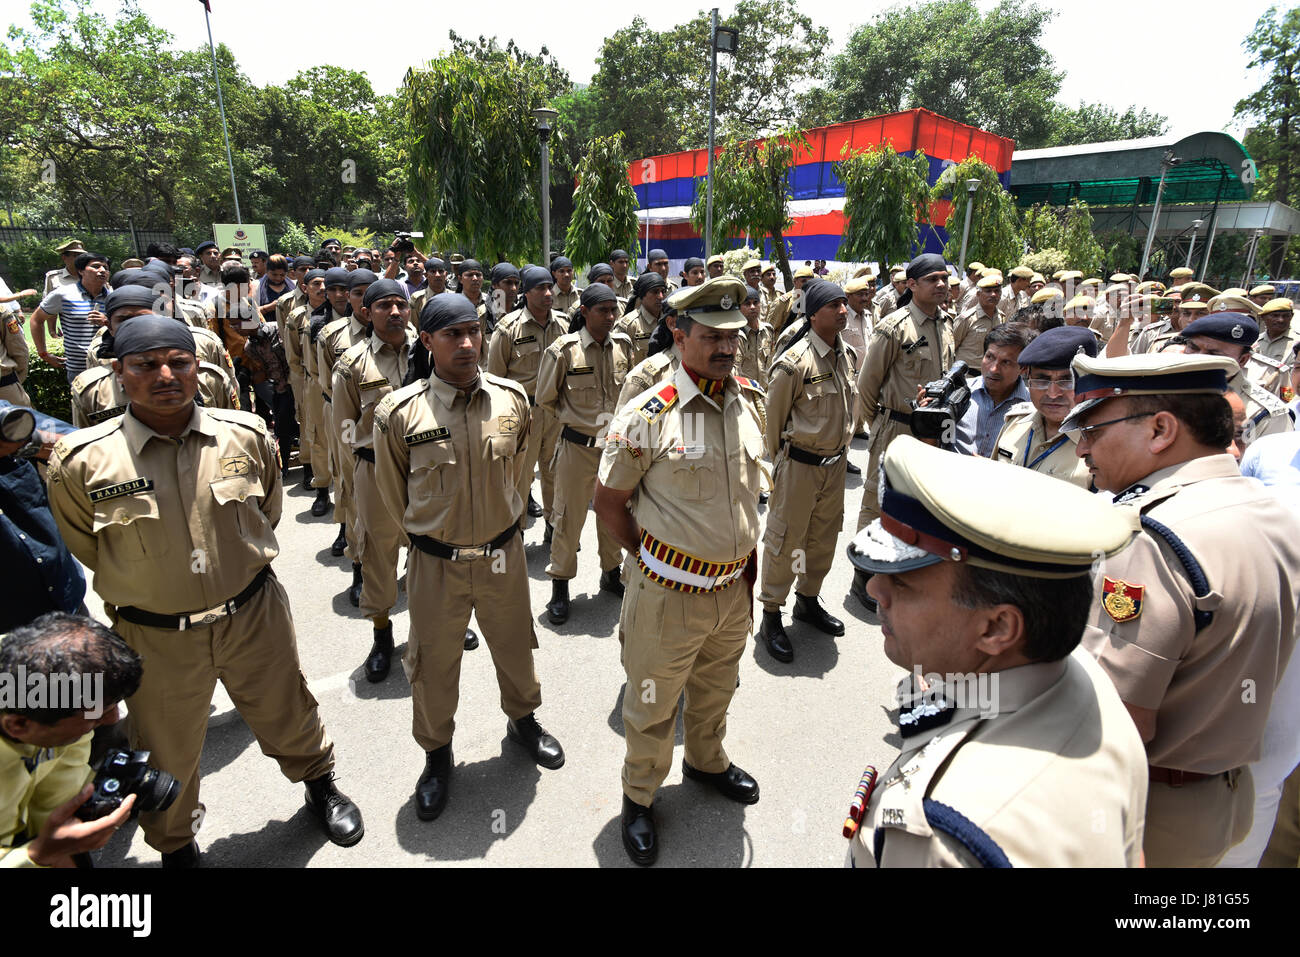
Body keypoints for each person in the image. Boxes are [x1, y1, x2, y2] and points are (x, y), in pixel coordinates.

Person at [46, 316, 364, 866]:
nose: (165, 374)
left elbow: (265, 512)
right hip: (155, 633)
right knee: (166, 748)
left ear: (199, 367)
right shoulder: (82, 461)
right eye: (146, 365)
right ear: (120, 374)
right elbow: (88, 546)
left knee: (288, 708)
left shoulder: (245, 434)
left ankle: (320, 787)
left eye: (179, 362)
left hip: (252, 611)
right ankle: (176, 844)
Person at [843, 436, 1147, 866]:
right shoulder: (1080, 675)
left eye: (904, 582)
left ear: (998, 628)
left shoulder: (944, 838)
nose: (875, 589)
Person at [1062, 352, 1300, 867]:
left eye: (1094, 430)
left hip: (1147, 811)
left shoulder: (1152, 538)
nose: (1082, 449)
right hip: (1221, 797)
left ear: (1161, 429)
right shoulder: (1269, 512)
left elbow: (1119, 716)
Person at [594, 276, 767, 866]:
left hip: (731, 591)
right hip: (667, 594)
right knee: (651, 703)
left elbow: (748, 497)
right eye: (713, 336)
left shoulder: (748, 397)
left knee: (716, 692)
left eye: (734, 336)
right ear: (679, 333)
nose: (727, 347)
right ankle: (639, 795)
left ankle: (705, 761)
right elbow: (609, 503)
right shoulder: (648, 413)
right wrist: (651, 562)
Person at [372, 293, 565, 823]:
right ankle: (437, 755)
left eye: (473, 331)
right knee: (433, 663)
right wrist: (433, 535)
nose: (466, 343)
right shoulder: (400, 412)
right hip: (435, 562)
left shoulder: (510, 400)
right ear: (427, 341)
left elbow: (521, 470)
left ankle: (523, 720)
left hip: (503, 554)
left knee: (514, 643)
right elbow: (393, 496)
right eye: (451, 334)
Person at [757, 280, 855, 663]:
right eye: (835, 305)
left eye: (845, 304)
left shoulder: (844, 355)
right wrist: (788, 461)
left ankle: (807, 601)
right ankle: (771, 614)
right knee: (785, 541)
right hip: (800, 465)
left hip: (834, 467)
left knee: (822, 538)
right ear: (814, 314)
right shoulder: (794, 362)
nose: (843, 310)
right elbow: (773, 423)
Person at [851, 254, 956, 611]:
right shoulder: (894, 327)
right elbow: (867, 385)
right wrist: (876, 425)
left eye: (944, 278)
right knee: (876, 501)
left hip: (932, 433)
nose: (941, 285)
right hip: (895, 427)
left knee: (917, 501)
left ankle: (900, 566)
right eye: (932, 279)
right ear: (912, 285)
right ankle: (862, 577)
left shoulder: (945, 324)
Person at [1, 613, 143, 868]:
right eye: (95, 718)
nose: (113, 720)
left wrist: (65, 838)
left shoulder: (48, 686)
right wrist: (37, 855)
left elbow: (56, 801)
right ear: (18, 725)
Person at [536, 283, 633, 623]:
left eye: (613, 310)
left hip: (613, 449)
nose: (610, 317)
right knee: (568, 517)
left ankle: (611, 573)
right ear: (585, 312)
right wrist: (575, 422)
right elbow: (545, 398)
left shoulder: (623, 346)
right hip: (577, 448)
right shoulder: (564, 350)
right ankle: (560, 584)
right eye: (602, 310)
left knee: (613, 513)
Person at [486, 265, 570, 532]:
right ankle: (517, 529)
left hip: (555, 412)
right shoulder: (507, 328)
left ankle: (553, 525)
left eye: (549, 287)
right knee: (520, 474)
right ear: (526, 292)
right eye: (540, 288)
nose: (548, 293)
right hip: (521, 413)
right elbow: (495, 380)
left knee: (554, 471)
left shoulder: (564, 324)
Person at [0, 406, 85, 633]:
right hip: (10, 626)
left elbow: (85, 447)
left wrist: (25, 443)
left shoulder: (5, 415)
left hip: (64, 595)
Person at [991, 325, 1096, 488]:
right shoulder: (1015, 423)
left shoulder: (1101, 444)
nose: (1053, 393)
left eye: (1067, 381)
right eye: (1042, 380)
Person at [1173, 312, 1293, 447]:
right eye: (1192, 348)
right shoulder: (1165, 389)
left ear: (1242, 360)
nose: (1198, 358)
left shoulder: (1264, 414)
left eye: (1213, 354)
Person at [952, 324, 1032, 458]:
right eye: (990, 357)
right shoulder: (956, 391)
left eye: (1006, 362)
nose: (994, 369)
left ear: (1023, 369)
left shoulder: (1032, 408)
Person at [30, 251, 109, 384]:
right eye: (96, 266)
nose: (102, 270)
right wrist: (43, 353)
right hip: (79, 371)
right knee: (82, 405)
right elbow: (36, 320)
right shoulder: (63, 294)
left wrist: (106, 321)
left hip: (108, 367)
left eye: (106, 268)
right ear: (81, 271)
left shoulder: (114, 297)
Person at [614, 272, 668, 368]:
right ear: (642, 296)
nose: (660, 296)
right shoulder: (629, 325)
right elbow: (618, 363)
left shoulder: (670, 321)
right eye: (655, 292)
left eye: (663, 291)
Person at [1246, 298, 1298, 397]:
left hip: (1284, 398)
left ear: (1292, 317)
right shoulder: (1255, 342)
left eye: (1286, 316)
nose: (1281, 320)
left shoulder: (1297, 343)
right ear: (1263, 317)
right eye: (1275, 316)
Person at [952, 274, 1003, 371]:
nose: (993, 295)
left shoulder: (1001, 317)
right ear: (978, 294)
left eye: (997, 291)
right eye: (988, 291)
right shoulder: (966, 319)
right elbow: (951, 348)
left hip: (991, 374)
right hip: (968, 376)